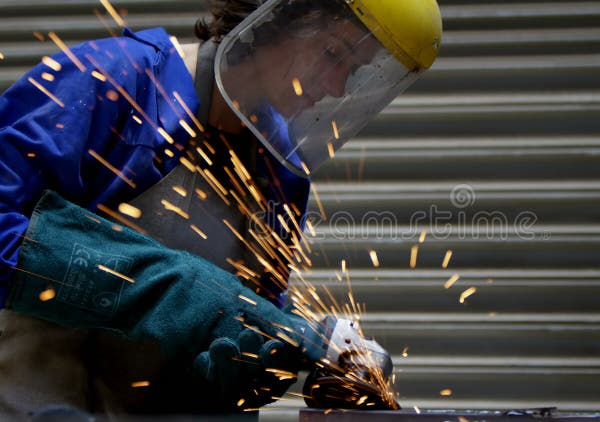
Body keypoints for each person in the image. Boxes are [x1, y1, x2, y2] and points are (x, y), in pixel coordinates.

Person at [0, 0, 442, 418]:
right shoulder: (115, 81)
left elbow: (242, 312)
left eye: (355, 70)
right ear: (276, 18)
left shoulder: (279, 170)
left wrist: (311, 346)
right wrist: (167, 290)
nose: (336, 87)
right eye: (332, 53)